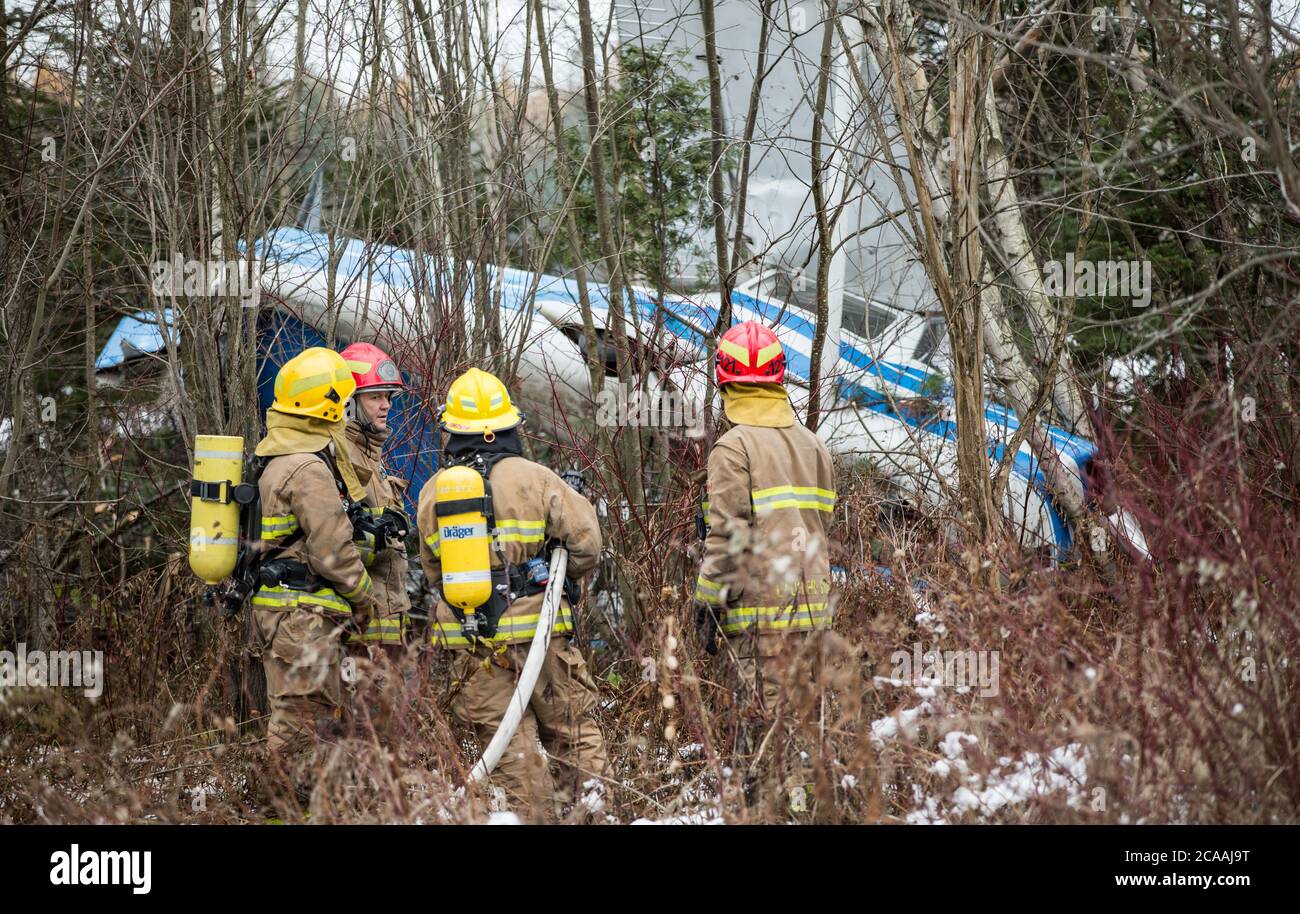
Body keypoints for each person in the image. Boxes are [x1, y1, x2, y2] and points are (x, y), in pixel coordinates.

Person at [416, 367, 607, 819]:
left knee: (512, 758)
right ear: (508, 426)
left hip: (475, 645)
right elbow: (587, 543)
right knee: (574, 737)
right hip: (543, 642)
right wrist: (555, 579)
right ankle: (593, 815)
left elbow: (433, 573)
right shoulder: (536, 478)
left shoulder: (431, 494)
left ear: (452, 431)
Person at [694, 321, 839, 814]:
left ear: (725, 379)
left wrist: (706, 600)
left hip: (760, 623)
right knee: (800, 735)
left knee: (756, 743)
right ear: (780, 378)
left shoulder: (733, 449)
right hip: (814, 617)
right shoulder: (815, 446)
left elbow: (725, 538)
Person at [250, 346, 375, 808]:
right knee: (300, 718)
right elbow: (333, 550)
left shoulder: (276, 459)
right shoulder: (307, 468)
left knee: (297, 713)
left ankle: (297, 808)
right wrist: (364, 596)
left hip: (282, 611)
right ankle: (284, 810)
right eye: (341, 402)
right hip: (302, 614)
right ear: (327, 406)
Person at [339, 341, 412, 656]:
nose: (386, 405)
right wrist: (381, 538)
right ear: (349, 402)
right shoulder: (341, 455)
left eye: (388, 396)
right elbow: (332, 544)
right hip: (359, 628)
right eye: (375, 397)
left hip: (386, 623)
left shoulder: (372, 458)